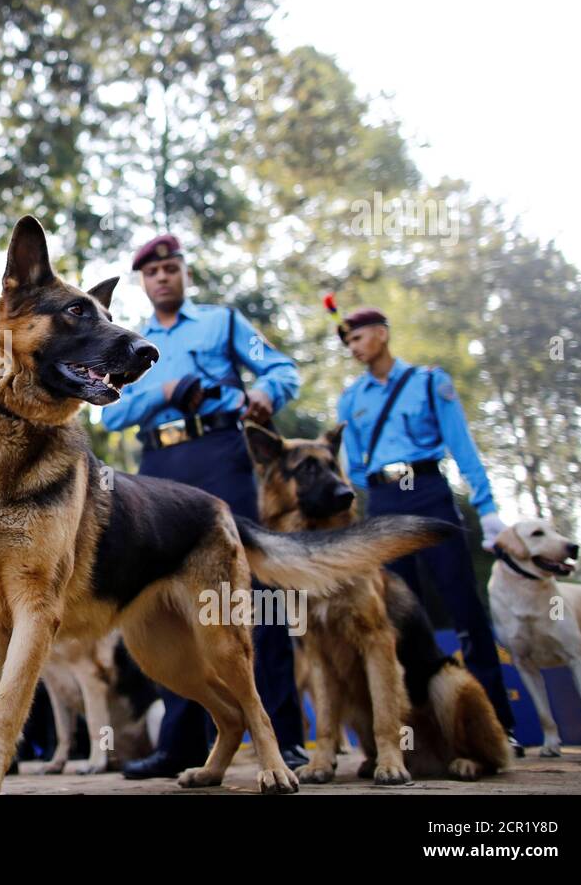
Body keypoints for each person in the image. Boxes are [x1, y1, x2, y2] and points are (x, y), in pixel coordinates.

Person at [100, 234, 310, 778]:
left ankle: (283, 739)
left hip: (221, 453)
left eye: (171, 268)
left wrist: (268, 393)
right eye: (152, 273)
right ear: (144, 283)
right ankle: (181, 746)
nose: (162, 277)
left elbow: (281, 369)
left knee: (249, 599)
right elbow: (112, 415)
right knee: (159, 606)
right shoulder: (131, 340)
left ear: (184, 273)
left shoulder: (224, 323)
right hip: (158, 471)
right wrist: (166, 390)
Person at [335, 305, 518, 744]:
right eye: (348, 342)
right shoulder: (351, 399)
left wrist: (487, 506)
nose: (353, 348)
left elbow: (461, 445)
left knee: (465, 609)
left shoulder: (430, 382)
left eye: (358, 338)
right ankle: (415, 730)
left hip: (430, 492)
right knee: (396, 617)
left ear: (381, 333)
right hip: (382, 501)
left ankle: (497, 726)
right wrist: (373, 496)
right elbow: (354, 467)